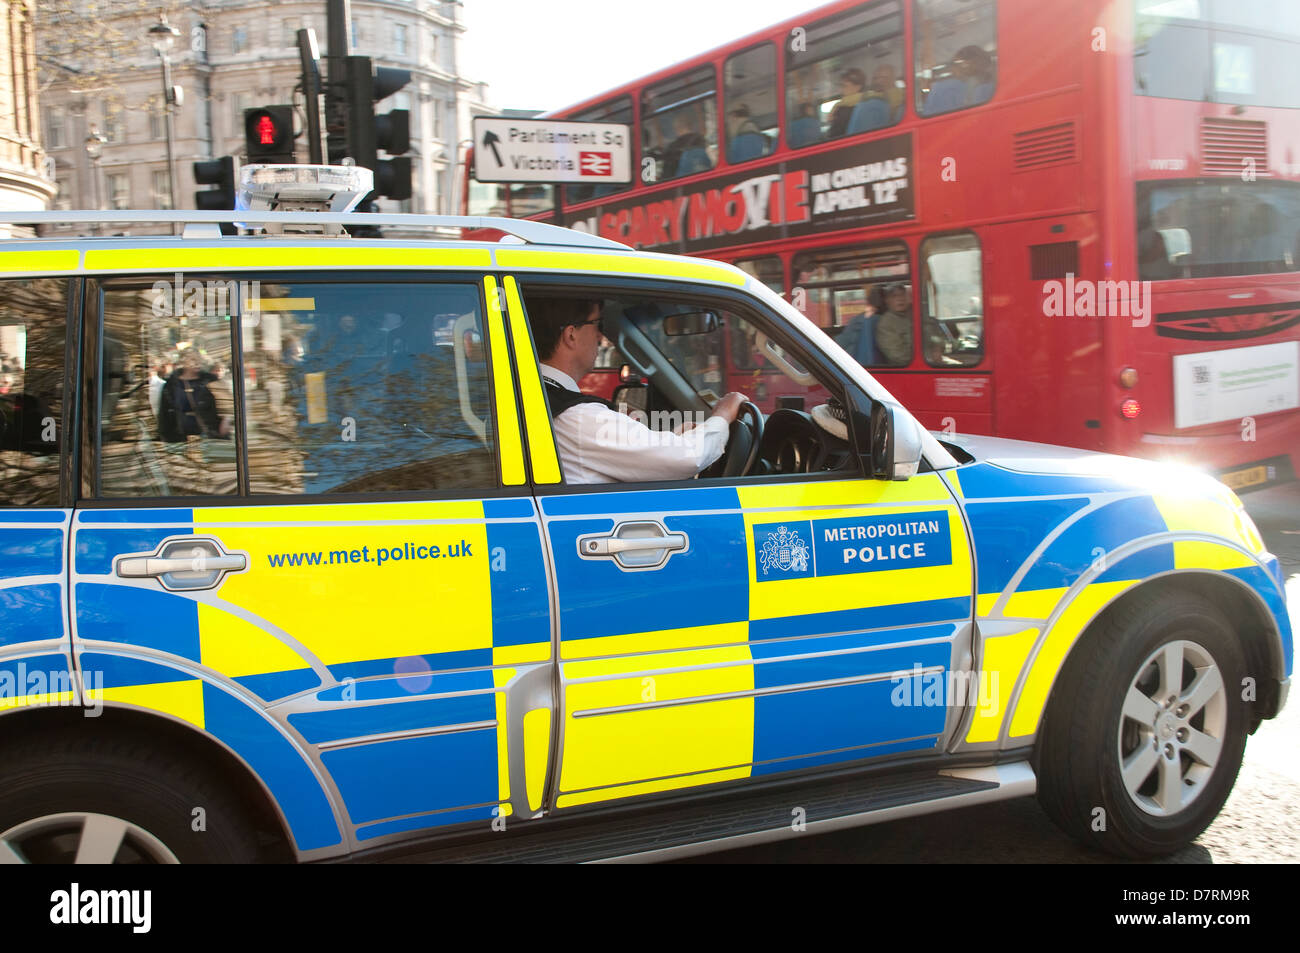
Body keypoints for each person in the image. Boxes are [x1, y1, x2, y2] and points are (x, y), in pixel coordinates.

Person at [528, 297, 747, 484]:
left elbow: (642, 451)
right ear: (571, 335)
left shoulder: (540, 398)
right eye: (598, 325)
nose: (600, 337)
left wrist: (675, 435)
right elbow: (686, 457)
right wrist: (723, 415)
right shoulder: (578, 418)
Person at [158, 347, 231, 443]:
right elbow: (164, 415)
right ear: (183, 362)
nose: (197, 362)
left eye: (199, 359)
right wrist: (166, 438)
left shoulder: (210, 380)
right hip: (181, 441)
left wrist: (226, 420)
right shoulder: (171, 385)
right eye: (193, 359)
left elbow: (228, 403)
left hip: (210, 438)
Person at [874, 283, 913, 366]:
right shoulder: (886, 323)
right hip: (904, 370)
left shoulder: (916, 314)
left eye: (903, 295)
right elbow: (897, 355)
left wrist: (937, 348)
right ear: (887, 300)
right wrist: (929, 355)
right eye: (895, 296)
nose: (900, 299)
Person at [827, 67, 867, 138]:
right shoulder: (866, 103)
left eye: (844, 86)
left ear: (858, 87)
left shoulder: (843, 109)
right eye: (841, 86)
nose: (841, 90)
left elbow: (834, 135)